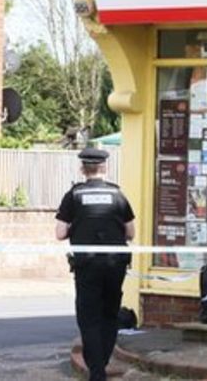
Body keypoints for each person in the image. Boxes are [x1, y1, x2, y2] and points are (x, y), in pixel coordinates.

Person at [55, 147, 135, 381]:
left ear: (82, 169)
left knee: (88, 316)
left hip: (87, 264)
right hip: (115, 263)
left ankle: (97, 371)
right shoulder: (118, 195)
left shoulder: (74, 195)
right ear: (105, 168)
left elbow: (60, 233)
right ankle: (101, 363)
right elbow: (131, 232)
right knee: (109, 314)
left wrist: (76, 226)